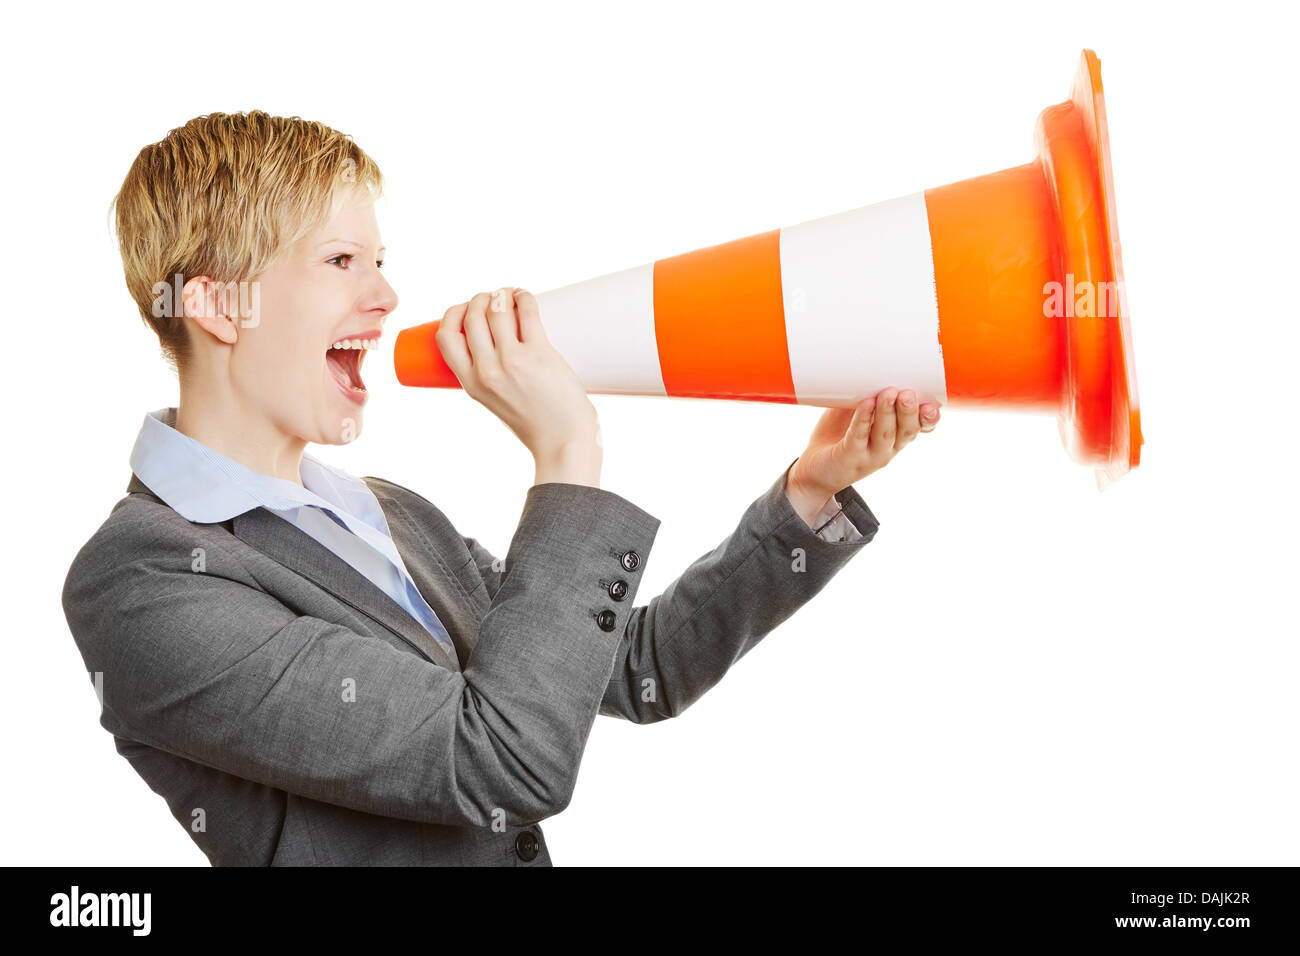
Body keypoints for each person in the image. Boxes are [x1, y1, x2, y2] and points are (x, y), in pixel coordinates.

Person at [62, 111, 941, 866]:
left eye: (380, 258)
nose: (387, 294)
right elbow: (497, 761)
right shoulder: (144, 580)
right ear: (221, 308)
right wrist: (566, 453)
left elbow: (634, 669)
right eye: (340, 261)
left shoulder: (381, 510)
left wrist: (810, 493)